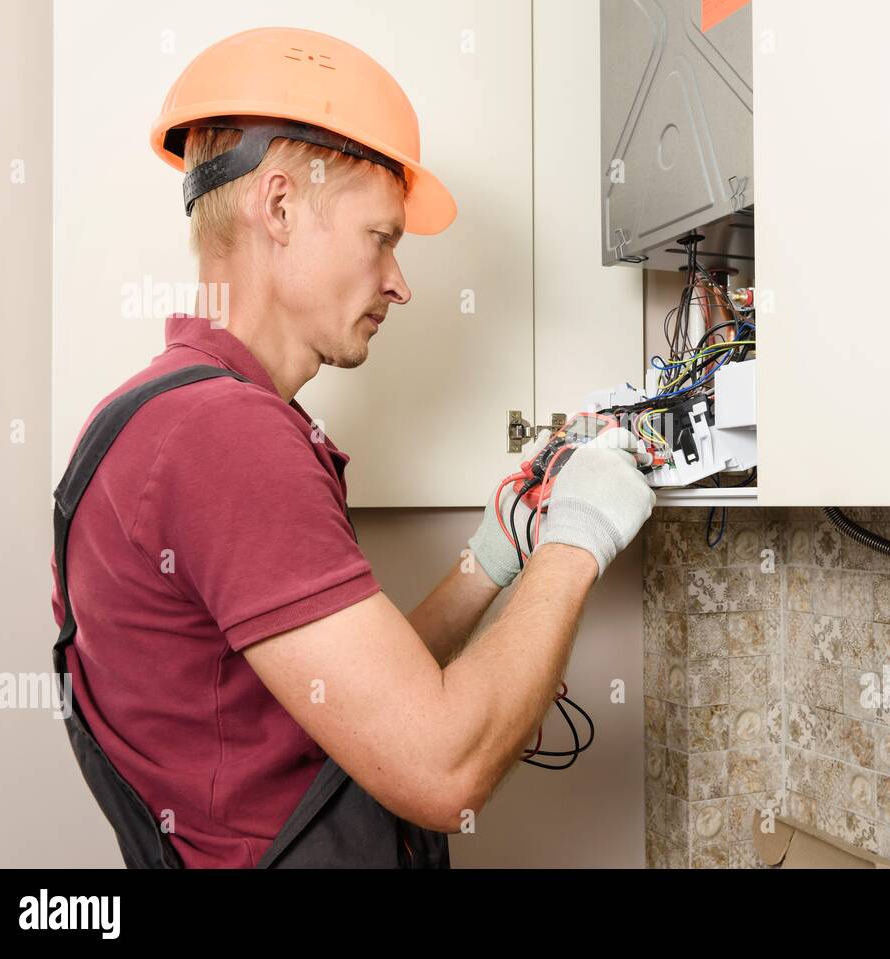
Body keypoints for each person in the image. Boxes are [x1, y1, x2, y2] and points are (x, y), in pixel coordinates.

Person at [49, 26, 655, 869]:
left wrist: (491, 559)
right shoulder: (225, 439)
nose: (401, 281)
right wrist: (579, 536)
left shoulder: (161, 416)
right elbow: (442, 766)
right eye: (382, 237)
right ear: (281, 205)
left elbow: (338, 701)